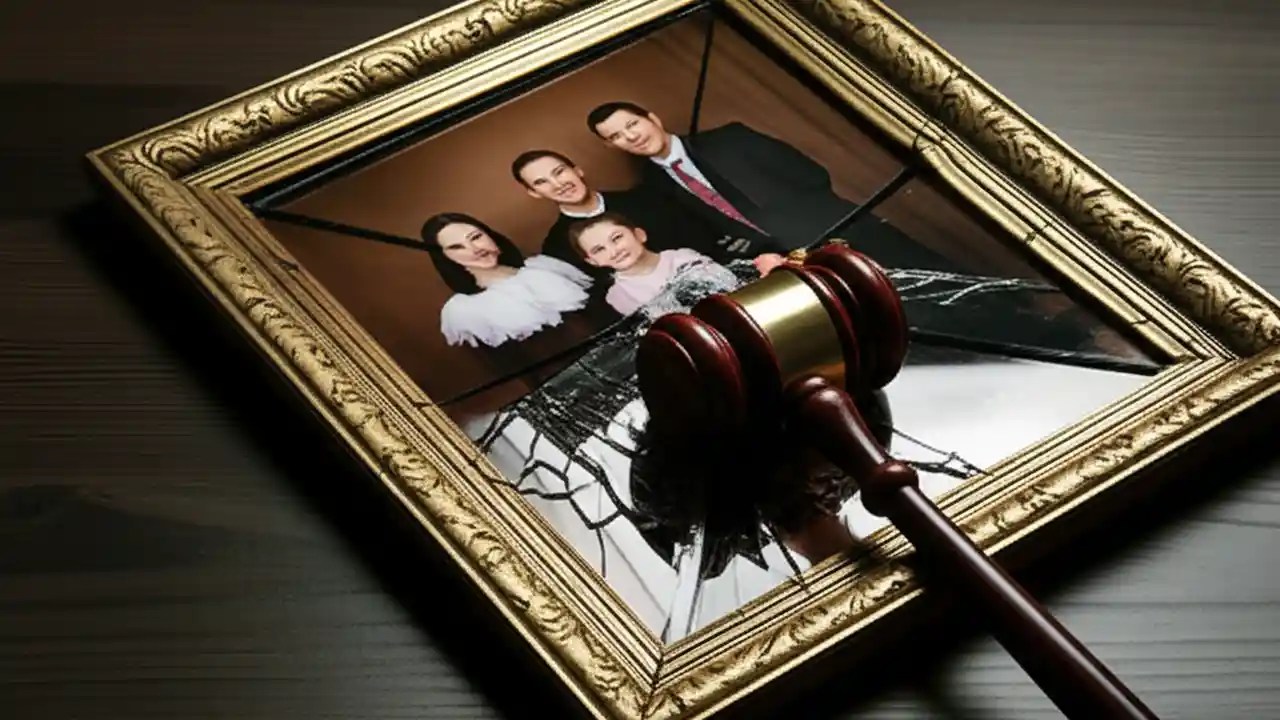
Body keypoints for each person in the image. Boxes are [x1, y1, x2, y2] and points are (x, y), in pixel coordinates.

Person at [510, 149, 776, 280]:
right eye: (542, 182)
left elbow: (705, 234)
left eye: (560, 172)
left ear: (577, 170)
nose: (559, 184)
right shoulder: (558, 246)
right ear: (534, 193)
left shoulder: (644, 197)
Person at [420, 212, 594, 348]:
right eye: (456, 247)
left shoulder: (543, 266)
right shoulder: (462, 311)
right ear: (445, 257)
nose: (475, 249)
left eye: (476, 237)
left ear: (490, 235)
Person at [567, 211, 788, 316]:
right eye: (599, 250)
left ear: (639, 234)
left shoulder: (682, 257)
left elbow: (732, 285)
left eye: (617, 238)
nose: (614, 250)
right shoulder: (618, 296)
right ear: (592, 261)